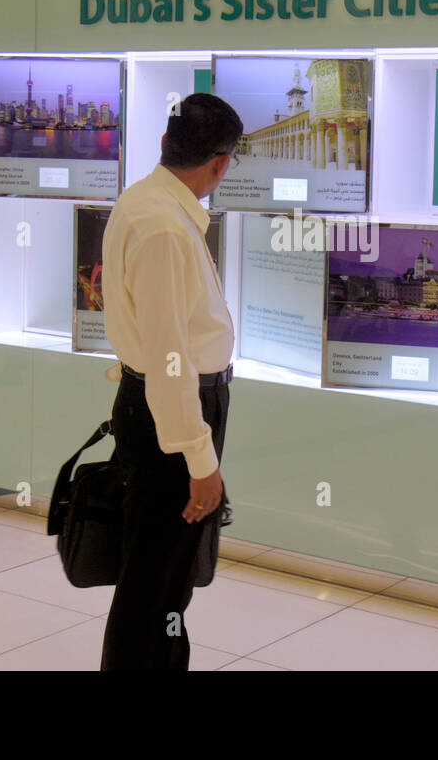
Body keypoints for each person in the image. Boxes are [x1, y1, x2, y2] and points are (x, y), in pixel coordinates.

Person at [98, 93, 243, 671]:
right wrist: (199, 461)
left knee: (160, 576)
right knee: (156, 581)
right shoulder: (164, 228)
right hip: (172, 420)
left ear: (164, 144)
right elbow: (171, 360)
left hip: (161, 410)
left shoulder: (147, 201)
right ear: (220, 163)